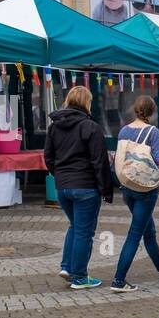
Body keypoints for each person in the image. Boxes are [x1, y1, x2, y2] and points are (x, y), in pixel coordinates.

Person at [45, 85, 113, 289]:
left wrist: (58, 174)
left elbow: (48, 156)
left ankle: (67, 266)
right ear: (86, 102)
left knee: (75, 226)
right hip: (85, 186)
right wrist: (106, 190)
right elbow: (99, 161)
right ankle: (80, 276)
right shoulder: (90, 127)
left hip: (63, 186)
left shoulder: (53, 127)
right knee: (84, 231)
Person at [111, 96, 159, 292]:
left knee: (148, 231)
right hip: (146, 189)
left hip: (127, 188)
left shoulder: (124, 130)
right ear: (151, 112)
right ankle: (118, 280)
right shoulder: (152, 131)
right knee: (135, 234)